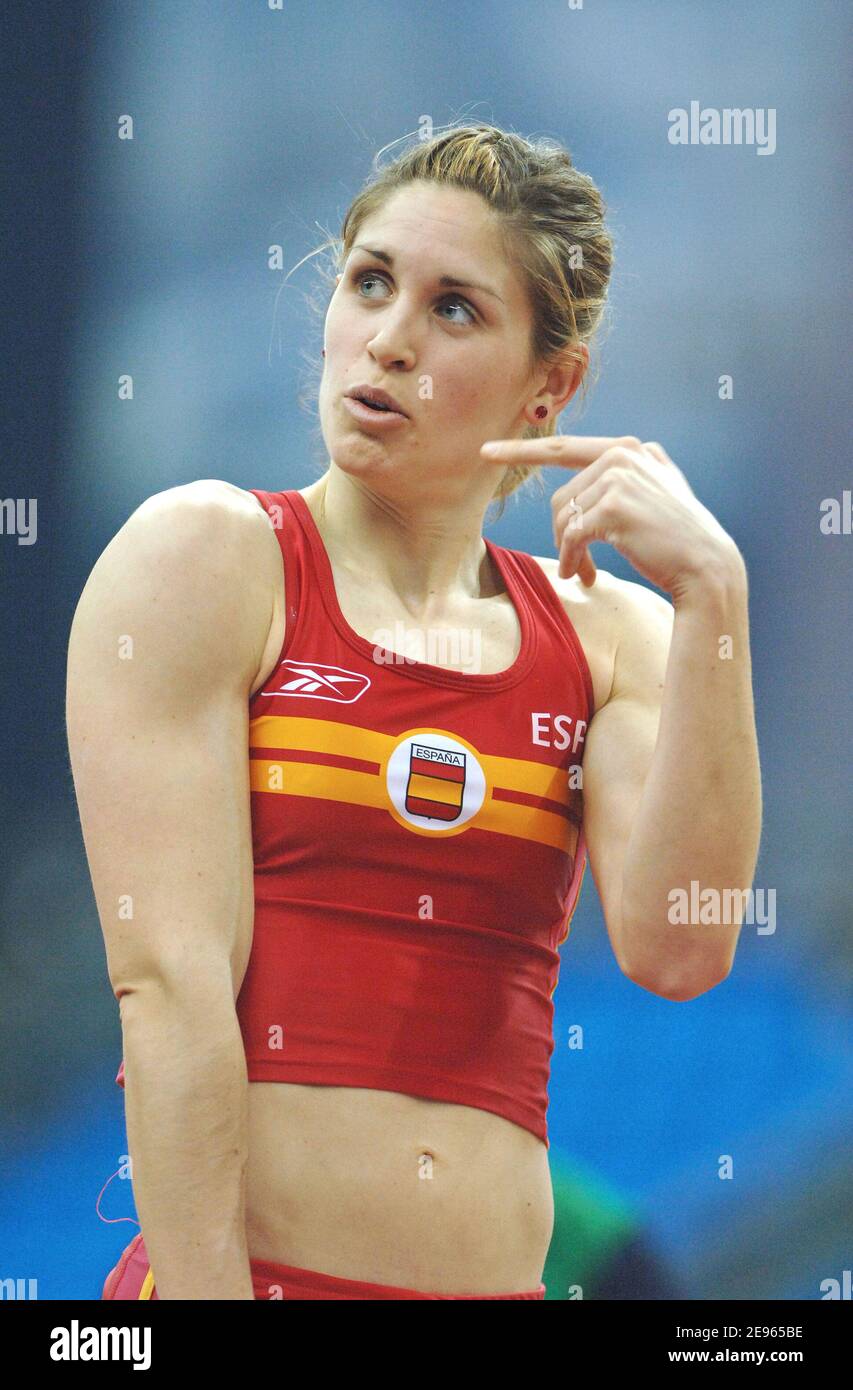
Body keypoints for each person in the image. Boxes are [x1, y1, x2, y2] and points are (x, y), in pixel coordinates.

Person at [67, 122, 761, 1301]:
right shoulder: (208, 558)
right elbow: (170, 987)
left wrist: (713, 593)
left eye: (453, 309)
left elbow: (680, 948)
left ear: (553, 385)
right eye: (369, 282)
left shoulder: (612, 640)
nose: (385, 340)